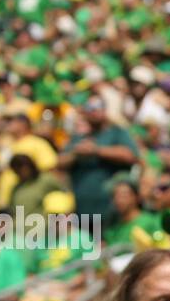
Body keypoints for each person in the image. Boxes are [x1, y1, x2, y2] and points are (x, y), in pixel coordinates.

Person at [57, 95, 138, 223]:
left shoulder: (117, 133)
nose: (93, 111)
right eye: (89, 108)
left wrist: (97, 151)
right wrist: (76, 154)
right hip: (81, 210)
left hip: (110, 208)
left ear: (105, 110)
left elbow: (130, 156)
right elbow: (60, 162)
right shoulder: (79, 138)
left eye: (97, 107)